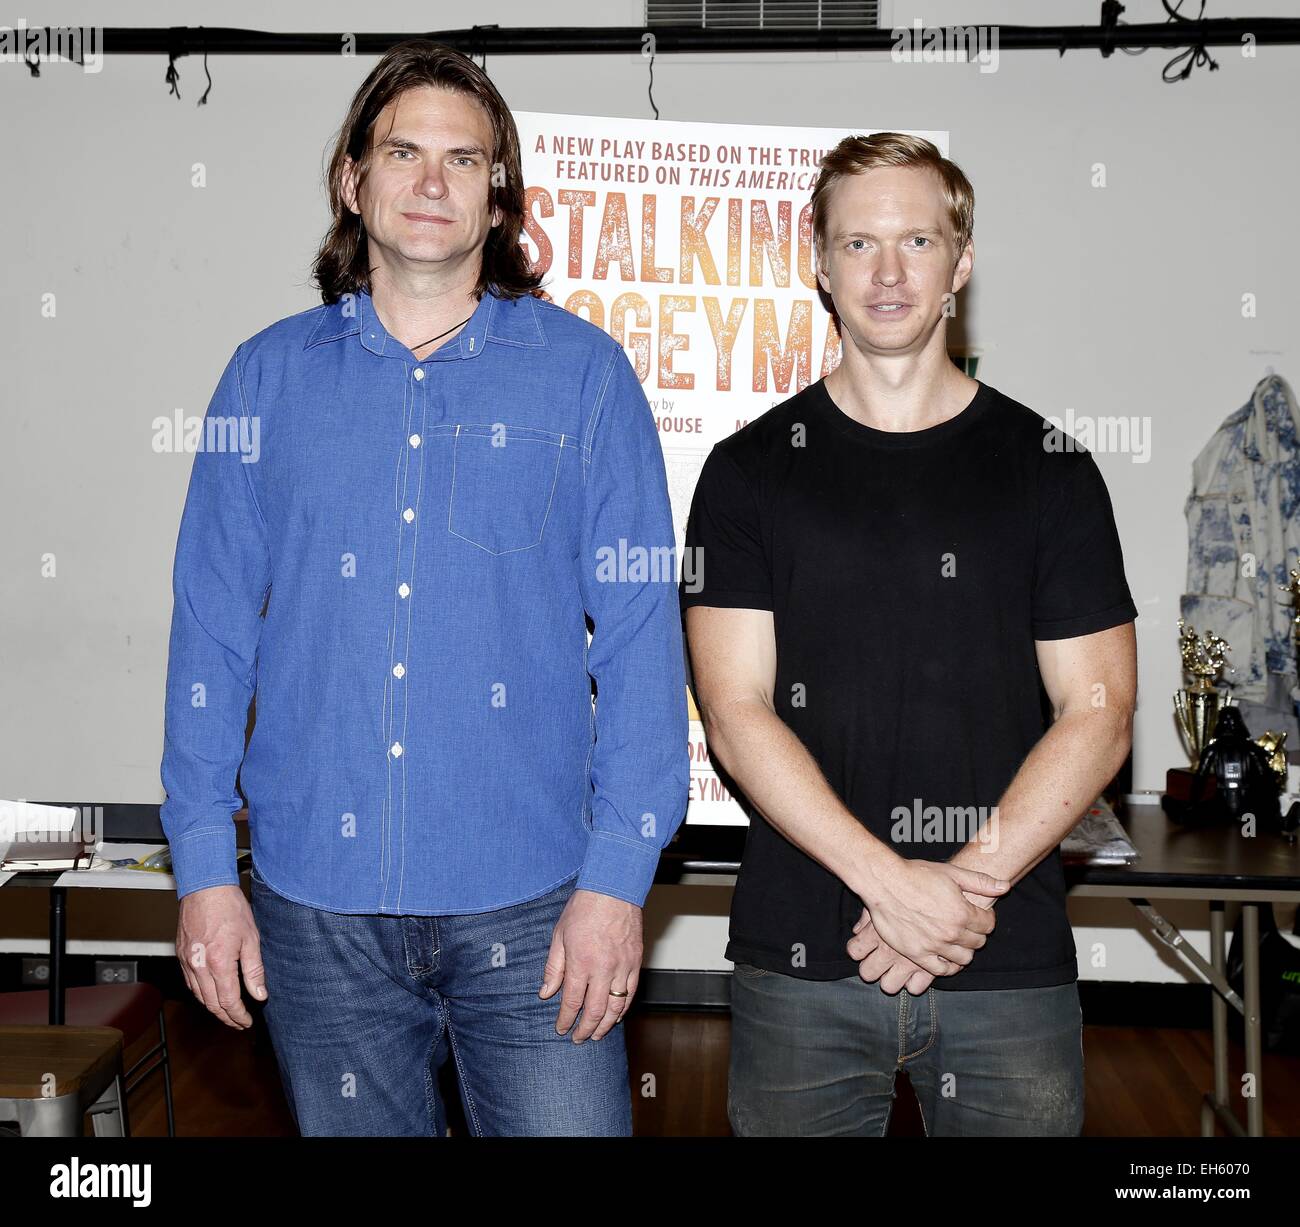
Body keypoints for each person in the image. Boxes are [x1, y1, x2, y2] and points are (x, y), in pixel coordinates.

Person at [159, 40, 687, 1137]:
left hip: (538, 905)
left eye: (465, 158)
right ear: (353, 180)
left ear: (501, 197)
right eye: (404, 152)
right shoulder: (264, 377)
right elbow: (210, 637)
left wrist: (618, 882)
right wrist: (206, 872)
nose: (434, 181)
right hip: (317, 912)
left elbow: (641, 640)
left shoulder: (583, 378)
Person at [681, 132, 1137, 1137]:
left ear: (961, 262)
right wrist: (894, 886)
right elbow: (734, 709)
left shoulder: (1049, 467)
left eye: (918, 241)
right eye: (857, 245)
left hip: (1003, 961)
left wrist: (954, 895)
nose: (887, 273)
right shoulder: (748, 472)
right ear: (817, 261)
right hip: (801, 961)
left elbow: (1098, 713)